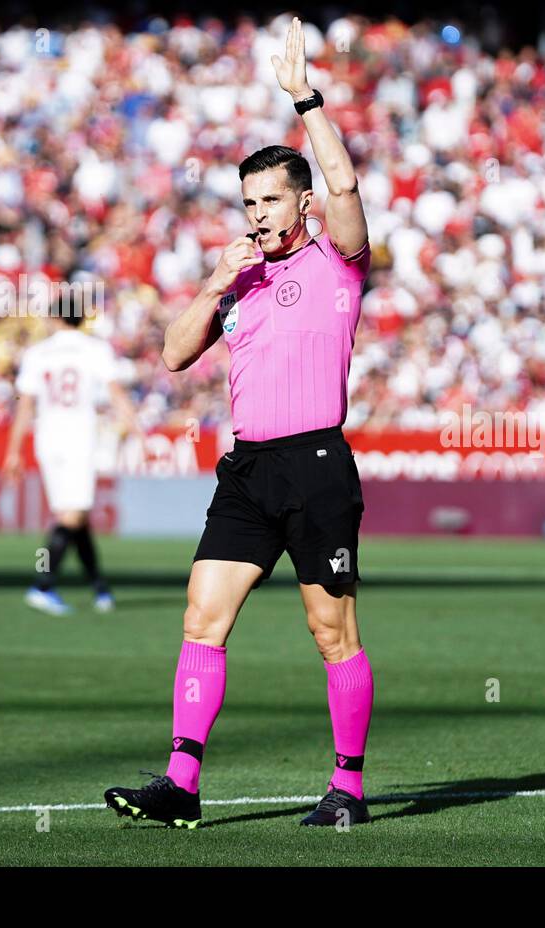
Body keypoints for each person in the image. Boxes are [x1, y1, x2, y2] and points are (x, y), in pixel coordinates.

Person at [104, 18, 375, 829]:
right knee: (202, 617)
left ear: (302, 202)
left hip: (316, 465)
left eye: (270, 199)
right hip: (249, 470)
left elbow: (346, 187)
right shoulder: (241, 279)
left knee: (330, 629)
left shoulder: (337, 261)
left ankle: (349, 789)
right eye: (248, 201)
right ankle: (181, 784)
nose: (257, 213)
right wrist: (215, 281)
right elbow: (172, 354)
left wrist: (305, 99)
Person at [4, 295, 138, 615]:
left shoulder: (38, 353)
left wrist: (13, 451)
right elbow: (115, 393)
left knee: (74, 515)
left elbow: (25, 405)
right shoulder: (95, 349)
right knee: (72, 515)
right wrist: (137, 430)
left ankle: (100, 588)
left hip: (48, 439)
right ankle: (43, 585)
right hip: (79, 437)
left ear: (55, 318)